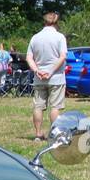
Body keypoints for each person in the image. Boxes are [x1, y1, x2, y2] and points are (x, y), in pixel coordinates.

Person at [27, 12, 68, 141]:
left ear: (44, 22)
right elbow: (62, 57)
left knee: (38, 106)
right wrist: (50, 71)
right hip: (56, 77)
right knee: (55, 107)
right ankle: (55, 135)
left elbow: (29, 57)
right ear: (56, 23)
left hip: (39, 77)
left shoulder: (35, 37)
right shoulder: (60, 37)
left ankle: (38, 134)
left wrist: (37, 70)